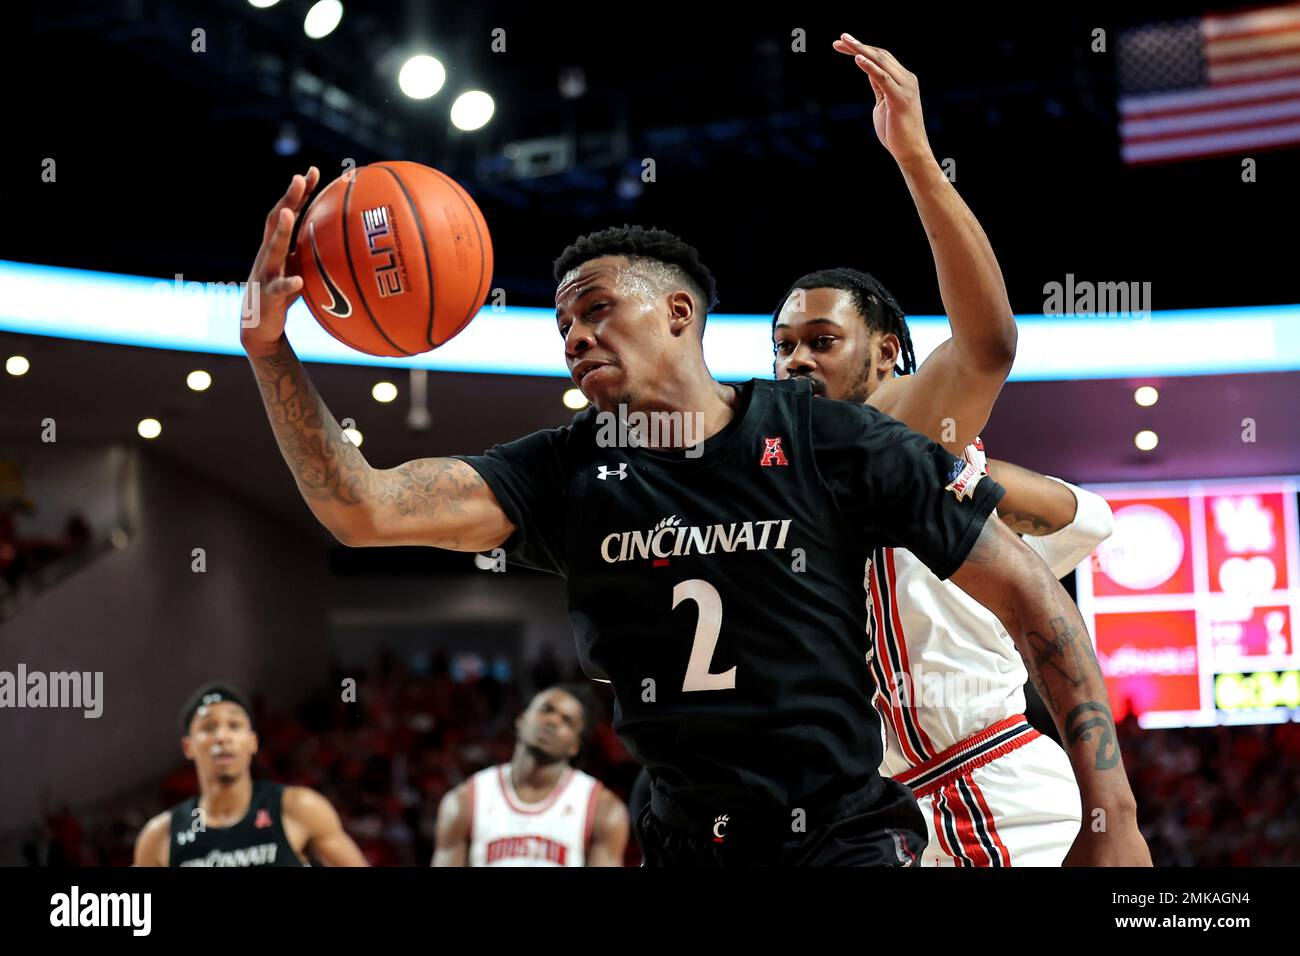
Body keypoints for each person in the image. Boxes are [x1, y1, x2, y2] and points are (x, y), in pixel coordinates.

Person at [238, 61, 1145, 873]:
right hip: (684, 838)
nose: (575, 337)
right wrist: (272, 352)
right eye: (561, 327)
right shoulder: (565, 471)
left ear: (679, 313)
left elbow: (1034, 599)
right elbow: (364, 508)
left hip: (849, 834)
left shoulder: (838, 439)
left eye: (596, 309)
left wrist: (1114, 810)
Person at [771, 36, 1144, 865]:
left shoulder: (902, 427)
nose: (795, 360)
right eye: (783, 345)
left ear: (889, 358)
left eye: (821, 341)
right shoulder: (776, 470)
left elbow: (988, 346)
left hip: (996, 790)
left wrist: (914, 156)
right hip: (884, 816)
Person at [133, 683, 368, 867]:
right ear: (188, 747)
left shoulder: (298, 808)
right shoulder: (160, 835)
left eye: (234, 725)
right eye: (208, 727)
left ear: (252, 742)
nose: (222, 737)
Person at [432, 684, 629, 866]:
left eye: (567, 721)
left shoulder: (603, 809)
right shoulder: (464, 800)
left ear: (575, 746)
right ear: (521, 719)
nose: (553, 721)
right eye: (546, 710)